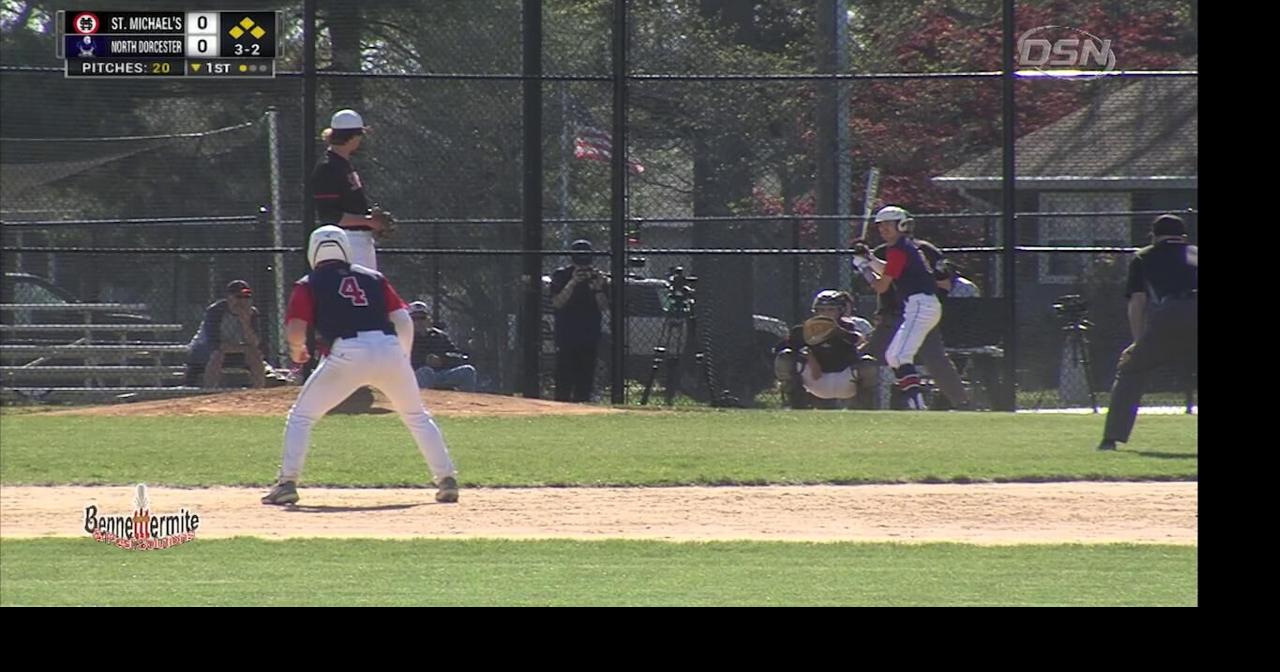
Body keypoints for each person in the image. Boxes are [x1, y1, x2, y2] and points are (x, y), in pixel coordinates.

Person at [261, 226, 459, 505]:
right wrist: (401, 357)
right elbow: (403, 319)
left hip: (348, 352)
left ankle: (287, 483)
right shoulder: (373, 277)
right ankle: (447, 479)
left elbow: (295, 329)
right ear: (345, 248)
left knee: (301, 417)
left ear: (312, 251)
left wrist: (297, 350)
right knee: (417, 416)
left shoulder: (308, 283)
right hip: (389, 348)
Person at [853, 207, 972, 410]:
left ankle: (919, 404)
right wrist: (869, 258)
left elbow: (881, 286)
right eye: (880, 226)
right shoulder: (902, 248)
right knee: (894, 356)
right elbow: (890, 270)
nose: (883, 229)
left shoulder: (899, 249)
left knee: (900, 356)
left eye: (888, 225)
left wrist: (864, 268)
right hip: (917, 307)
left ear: (901, 225)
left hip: (920, 306)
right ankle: (916, 402)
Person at [1098, 214, 1197, 451]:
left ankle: (1111, 438)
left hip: (1170, 313)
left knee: (1131, 371)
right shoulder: (1194, 253)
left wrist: (1138, 342)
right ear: (1183, 237)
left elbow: (1138, 302)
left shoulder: (1144, 256)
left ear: (1154, 236)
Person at [311, 108, 394, 270]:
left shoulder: (342, 164)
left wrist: (370, 219)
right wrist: (369, 221)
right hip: (345, 241)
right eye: (360, 135)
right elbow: (330, 215)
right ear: (353, 136)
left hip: (357, 240)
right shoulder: (328, 167)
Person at [774, 290, 873, 403]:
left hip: (845, 380)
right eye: (821, 310)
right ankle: (794, 401)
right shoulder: (804, 329)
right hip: (814, 379)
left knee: (868, 363)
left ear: (840, 311)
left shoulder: (847, 327)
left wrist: (837, 331)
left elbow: (858, 340)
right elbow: (781, 349)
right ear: (815, 312)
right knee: (785, 357)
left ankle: (865, 405)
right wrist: (808, 355)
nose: (825, 313)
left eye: (831, 310)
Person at [549, 239, 610, 402]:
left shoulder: (597, 276)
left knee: (585, 382)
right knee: (563, 381)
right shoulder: (561, 275)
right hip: (566, 334)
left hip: (589, 335)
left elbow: (604, 306)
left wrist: (597, 288)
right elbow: (557, 302)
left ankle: (582, 405)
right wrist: (573, 282)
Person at [185, 280, 267, 389]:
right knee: (218, 354)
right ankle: (209, 390)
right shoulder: (216, 311)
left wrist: (245, 322)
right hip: (204, 352)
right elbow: (216, 345)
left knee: (255, 353)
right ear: (229, 298)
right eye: (238, 297)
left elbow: (254, 343)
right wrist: (245, 348)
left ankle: (258, 390)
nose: (242, 301)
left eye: (247, 297)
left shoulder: (252, 313)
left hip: (234, 350)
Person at [407, 301, 478, 392]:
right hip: (415, 377)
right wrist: (423, 360)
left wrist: (442, 360)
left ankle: (466, 400)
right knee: (426, 371)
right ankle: (423, 400)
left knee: (468, 371)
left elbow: (457, 355)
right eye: (414, 318)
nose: (418, 322)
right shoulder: (405, 337)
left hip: (441, 374)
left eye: (422, 318)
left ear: (428, 319)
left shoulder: (439, 336)